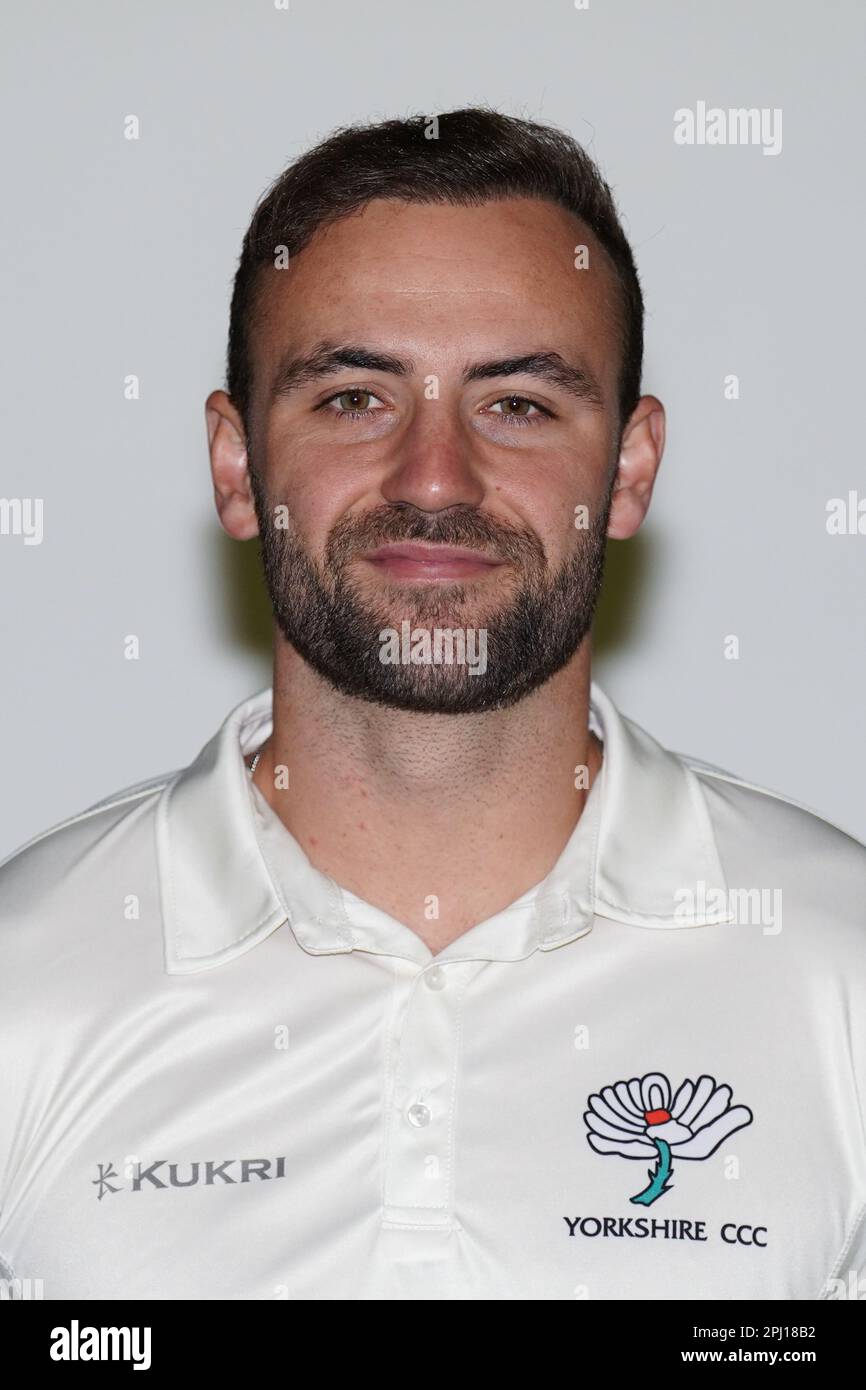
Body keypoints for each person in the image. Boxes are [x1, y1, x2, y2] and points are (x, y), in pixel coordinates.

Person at [1, 108, 864, 1302]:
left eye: (517, 403)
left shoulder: (836, 966)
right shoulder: (26, 975)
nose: (434, 478)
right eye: (354, 397)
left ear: (628, 470)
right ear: (236, 467)